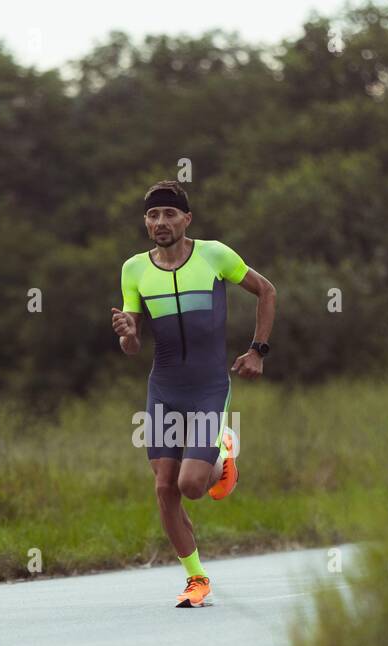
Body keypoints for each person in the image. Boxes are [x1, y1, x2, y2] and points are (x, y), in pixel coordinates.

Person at [111, 180, 277, 607]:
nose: (160, 222)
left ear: (187, 219)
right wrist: (129, 335)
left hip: (207, 385)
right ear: (146, 223)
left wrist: (257, 351)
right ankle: (196, 578)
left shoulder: (214, 254)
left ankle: (223, 452)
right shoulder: (134, 269)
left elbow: (266, 291)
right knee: (164, 487)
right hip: (164, 386)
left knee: (190, 486)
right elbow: (131, 348)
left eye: (169, 214)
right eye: (152, 215)